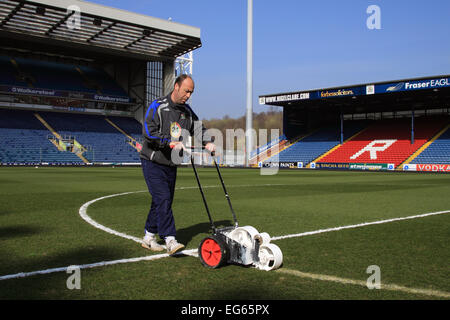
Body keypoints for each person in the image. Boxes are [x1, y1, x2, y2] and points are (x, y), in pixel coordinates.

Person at [139, 74, 216, 255]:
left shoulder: (187, 112)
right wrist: (168, 142)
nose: (188, 95)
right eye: (186, 91)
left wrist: (208, 142)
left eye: (191, 92)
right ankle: (170, 239)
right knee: (163, 198)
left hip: (171, 163)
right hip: (152, 161)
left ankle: (149, 236)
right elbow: (148, 132)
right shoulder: (158, 106)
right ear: (176, 87)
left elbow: (199, 129)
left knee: (161, 200)